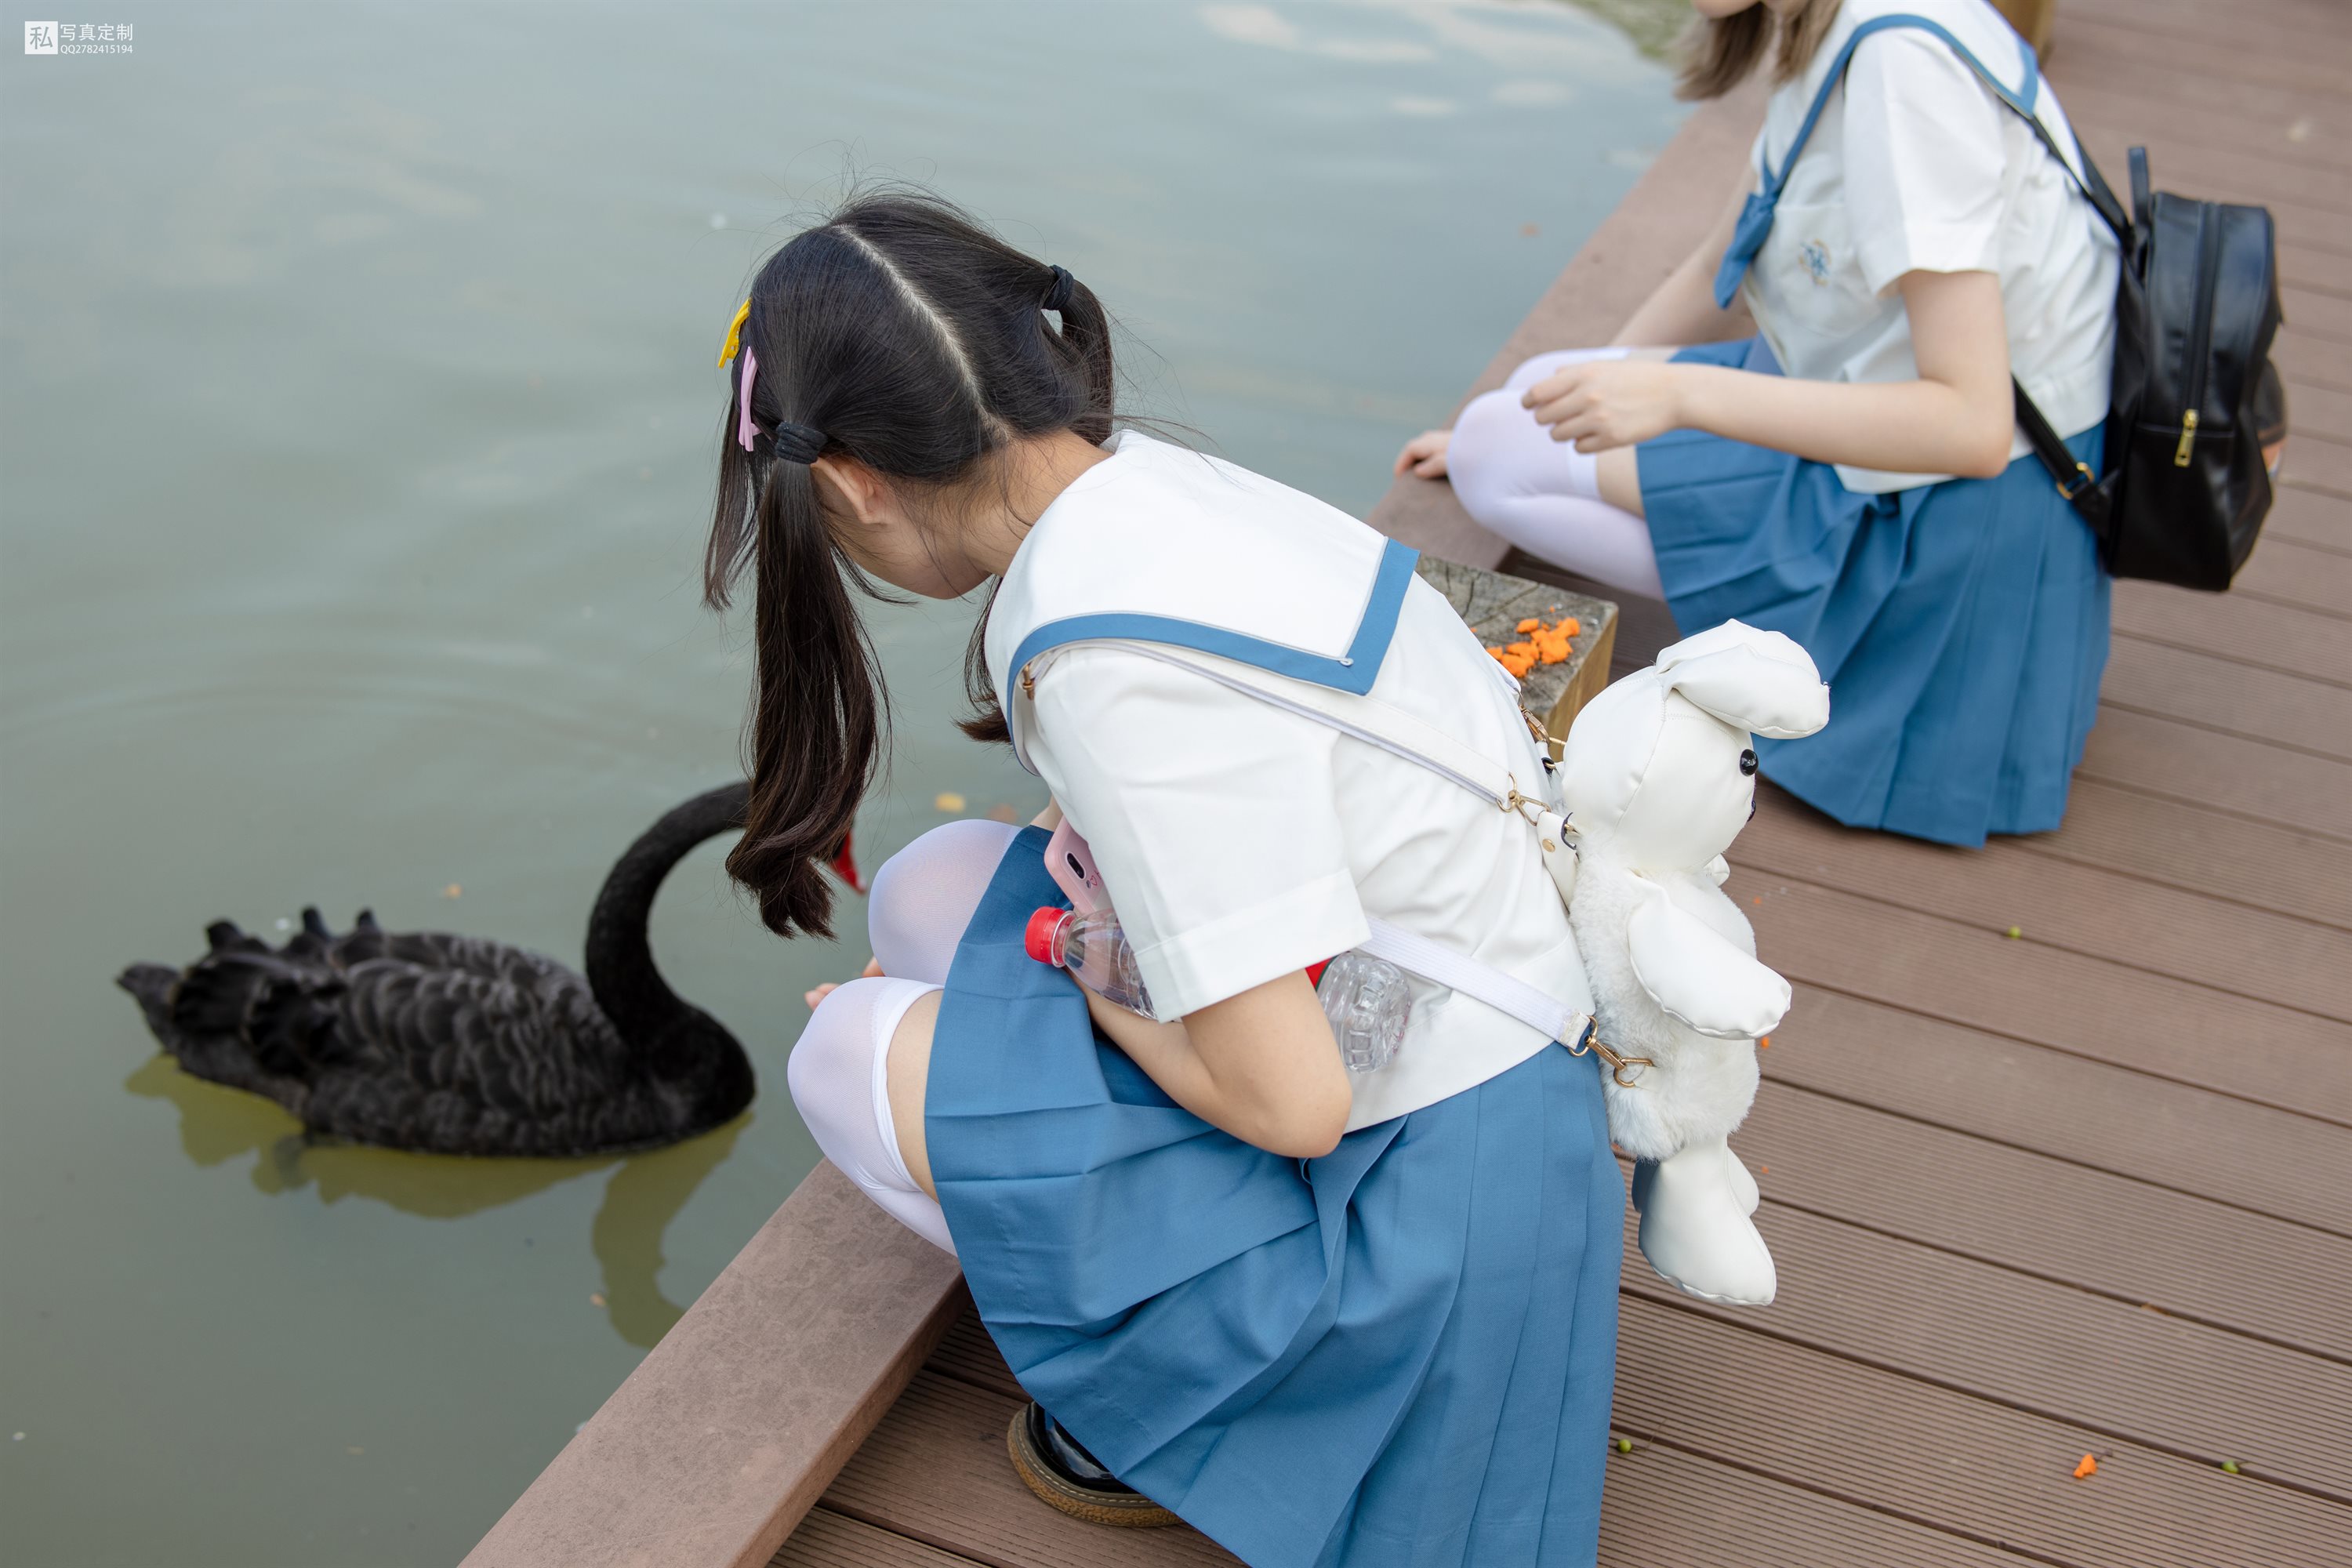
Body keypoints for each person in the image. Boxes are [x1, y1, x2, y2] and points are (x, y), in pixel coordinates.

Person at [707, 192, 1624, 1567]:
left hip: (1417, 1255)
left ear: (846, 483)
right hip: (1494, 1084)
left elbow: (1297, 1103)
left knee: (850, 1053)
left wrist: (1083, 979)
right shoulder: (1151, 483)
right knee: (934, 890)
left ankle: (1156, 1405)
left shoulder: (1102, 667)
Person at [1396, 0, 2120, 848]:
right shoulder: (1830, 22)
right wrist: (1579, 396)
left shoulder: (1903, 73)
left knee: (1497, 461)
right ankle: (1744, 570)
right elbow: (1718, 259)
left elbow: (1972, 425)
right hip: (1873, 403)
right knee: (1517, 408)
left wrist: (1680, 400)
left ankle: (1801, 631)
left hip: (1952, 516)